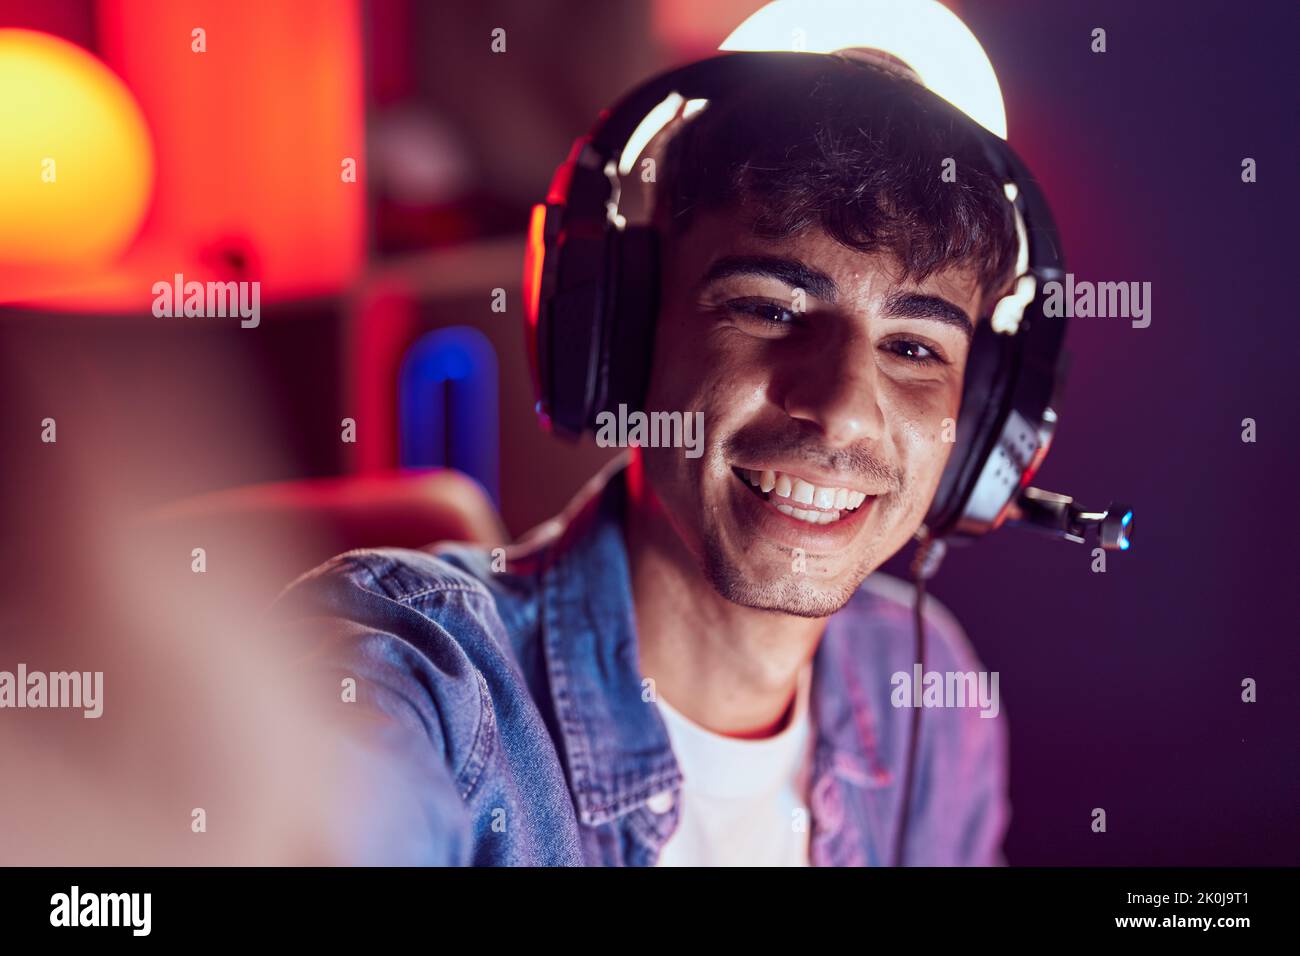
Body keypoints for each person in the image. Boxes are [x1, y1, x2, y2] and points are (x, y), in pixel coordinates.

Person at [275, 52, 1016, 866]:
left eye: (913, 346)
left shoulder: (927, 700)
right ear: (620, 340)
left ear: (974, 425)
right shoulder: (423, 683)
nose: (840, 412)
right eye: (768, 309)